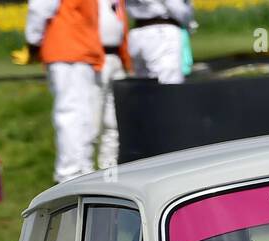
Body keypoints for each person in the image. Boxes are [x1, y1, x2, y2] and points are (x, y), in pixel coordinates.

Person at [26, 0, 103, 183]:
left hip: (73, 48)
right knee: (75, 114)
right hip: (75, 48)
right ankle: (71, 173)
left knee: (79, 115)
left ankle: (78, 171)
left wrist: (33, 41)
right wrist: (34, 39)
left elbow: (39, 8)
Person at [96, 0, 130, 171]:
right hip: (94, 57)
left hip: (115, 56)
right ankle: (82, 176)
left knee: (114, 121)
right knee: (92, 120)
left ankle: (109, 169)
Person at [125, 0, 194, 85]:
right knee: (168, 85)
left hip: (137, 31)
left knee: (142, 88)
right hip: (161, 32)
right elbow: (176, 7)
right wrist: (188, 20)